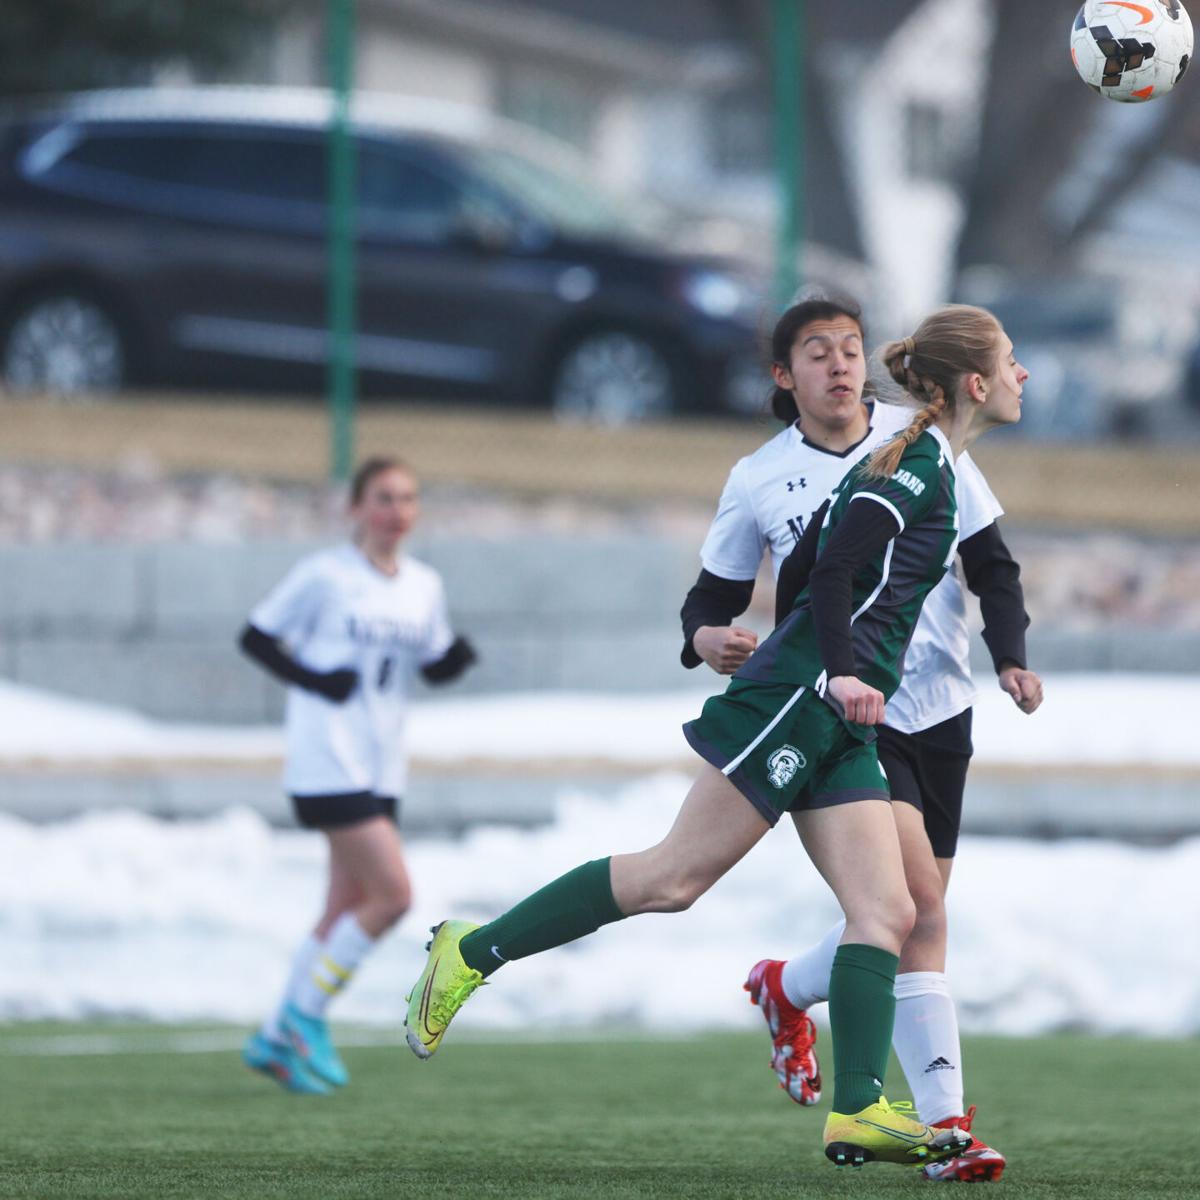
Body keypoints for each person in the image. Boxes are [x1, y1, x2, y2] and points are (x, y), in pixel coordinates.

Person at [403, 304, 1026, 1171]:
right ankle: (469, 952)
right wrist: (827, 665)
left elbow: (819, 560)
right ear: (977, 383)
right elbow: (834, 570)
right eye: (1011, 360)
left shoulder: (924, 458)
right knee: (672, 879)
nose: (1023, 375)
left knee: (889, 913)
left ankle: (857, 1109)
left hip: (845, 713)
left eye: (851, 350)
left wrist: (862, 664)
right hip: (803, 701)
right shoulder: (912, 466)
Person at [680, 296, 1042, 1182]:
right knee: (914, 910)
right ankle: (946, 1127)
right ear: (784, 375)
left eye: (851, 348)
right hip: (852, 713)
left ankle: (787, 986)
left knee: (911, 917)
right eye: (818, 352)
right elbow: (737, 594)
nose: (841, 364)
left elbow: (991, 564)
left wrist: (1010, 657)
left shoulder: (921, 442)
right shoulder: (762, 476)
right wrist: (710, 639)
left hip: (938, 708)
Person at [239, 456, 476, 1094]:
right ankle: (304, 1015)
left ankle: (272, 1039)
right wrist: (315, 679)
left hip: (381, 766)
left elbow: (430, 662)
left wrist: (456, 660)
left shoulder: (423, 584)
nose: (397, 511)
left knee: (343, 908)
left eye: (407, 499)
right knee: (393, 896)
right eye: (383, 498)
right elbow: (256, 637)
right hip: (326, 759)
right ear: (355, 508)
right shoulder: (326, 575)